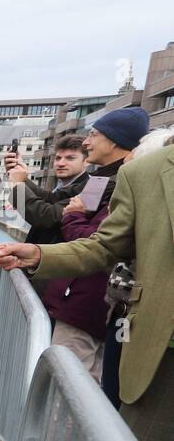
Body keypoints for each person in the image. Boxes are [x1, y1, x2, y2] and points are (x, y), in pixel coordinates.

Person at [0, 107, 168, 441]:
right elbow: (98, 244)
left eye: (95, 136)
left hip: (94, 316)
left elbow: (68, 221)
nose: (89, 142)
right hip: (149, 346)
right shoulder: (147, 172)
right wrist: (37, 255)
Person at [41, 109, 148, 388]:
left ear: (114, 141)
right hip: (79, 298)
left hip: (87, 301)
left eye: (94, 135)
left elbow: (96, 241)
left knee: (72, 388)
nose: (88, 142)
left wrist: (70, 217)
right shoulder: (100, 179)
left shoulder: (120, 183)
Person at [5, 134, 89, 247]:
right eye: (58, 158)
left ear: (86, 161)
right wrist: (21, 176)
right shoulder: (65, 187)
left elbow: (47, 217)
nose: (61, 163)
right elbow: (48, 198)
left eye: (70, 158)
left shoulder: (89, 190)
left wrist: (18, 184)